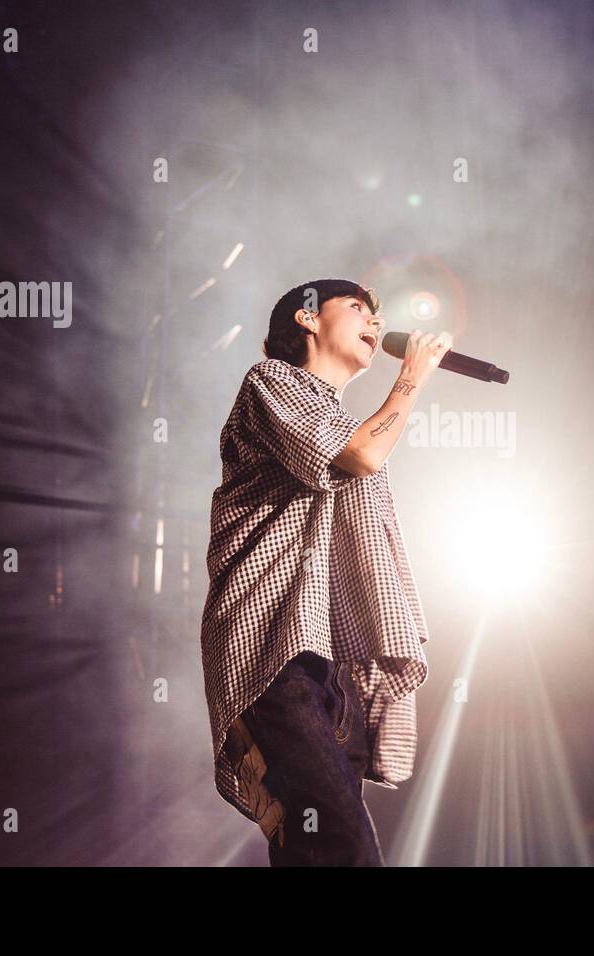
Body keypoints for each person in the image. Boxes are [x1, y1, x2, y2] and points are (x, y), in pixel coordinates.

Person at [199, 278, 452, 866]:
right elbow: (357, 456)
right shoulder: (273, 383)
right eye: (359, 308)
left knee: (312, 851)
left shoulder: (341, 417)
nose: (374, 321)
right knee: (344, 844)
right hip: (273, 646)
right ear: (309, 318)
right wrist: (411, 378)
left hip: (334, 662)